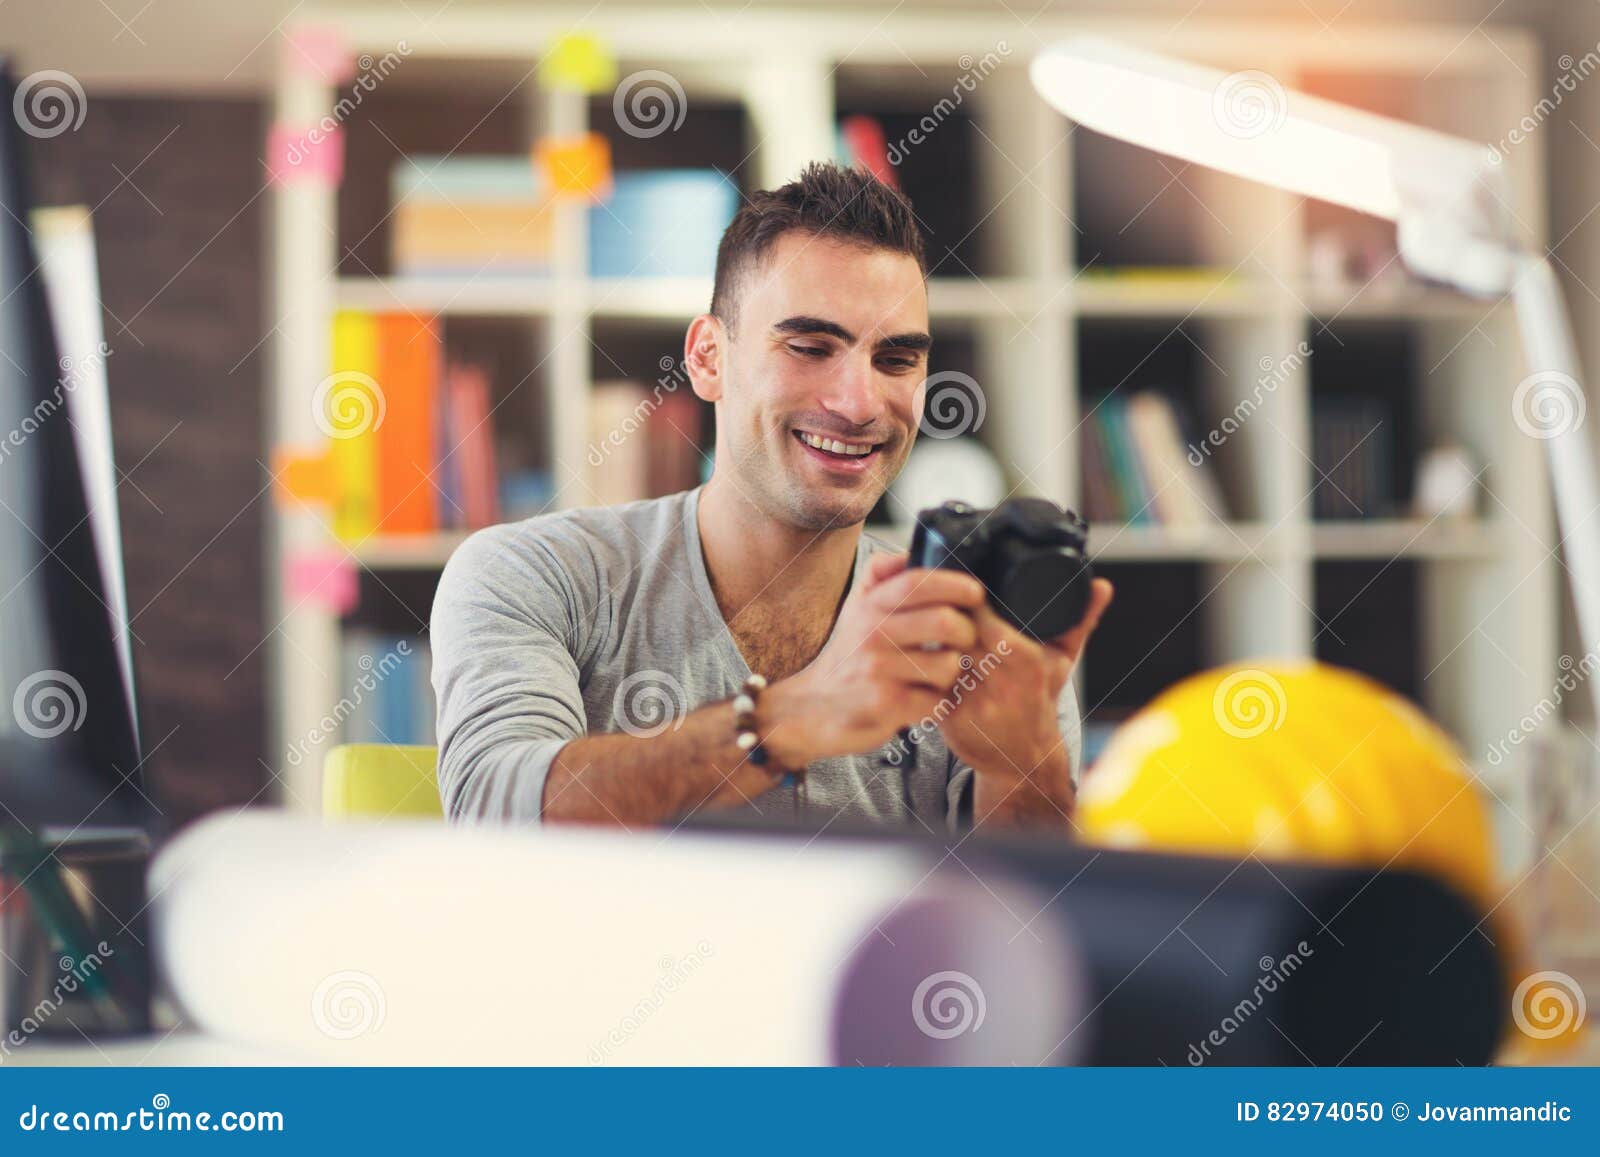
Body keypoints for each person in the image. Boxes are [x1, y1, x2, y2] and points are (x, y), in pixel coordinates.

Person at [431, 161, 1112, 831]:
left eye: (896, 360)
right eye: (810, 347)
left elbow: (1029, 897)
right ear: (708, 358)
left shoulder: (975, 625)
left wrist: (1023, 762)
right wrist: (794, 717)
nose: (859, 403)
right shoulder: (534, 573)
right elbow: (494, 809)